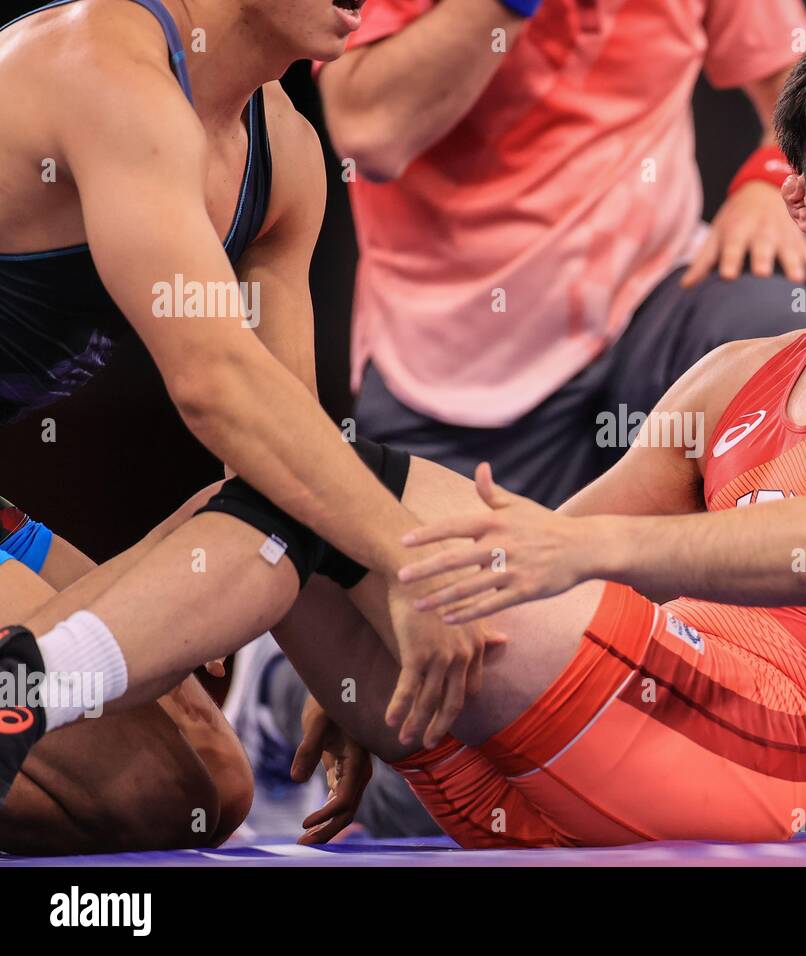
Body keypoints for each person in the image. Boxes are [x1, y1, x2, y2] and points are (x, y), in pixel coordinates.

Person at [3, 12, 806, 848]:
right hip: (567, 760)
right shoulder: (735, 377)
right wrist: (361, 620)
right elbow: (509, 545)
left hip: (756, 749)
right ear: (796, 196)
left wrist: (557, 549)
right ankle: (31, 686)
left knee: (326, 489)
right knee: (277, 508)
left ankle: (36, 682)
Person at [0, 0, 488, 848]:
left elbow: (280, 454)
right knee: (148, 792)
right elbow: (216, 388)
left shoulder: (286, 155)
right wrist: (414, 568)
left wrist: (337, 662)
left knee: (213, 787)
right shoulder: (100, 62)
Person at [316, 0, 806, 507]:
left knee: (776, 331)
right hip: (454, 361)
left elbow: (802, 81)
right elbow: (370, 133)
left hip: (652, 294)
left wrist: (767, 181)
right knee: (464, 582)